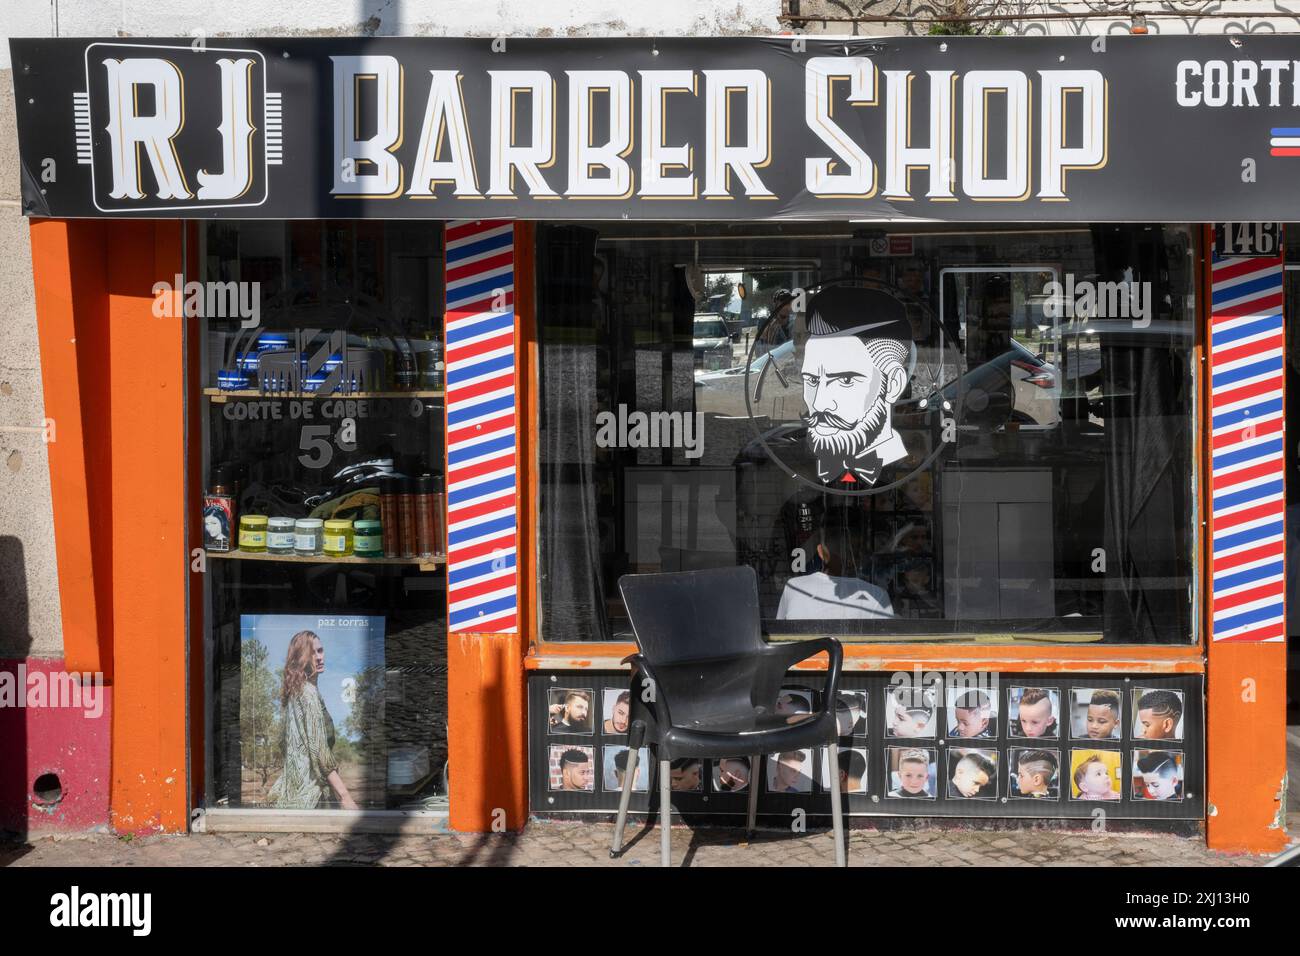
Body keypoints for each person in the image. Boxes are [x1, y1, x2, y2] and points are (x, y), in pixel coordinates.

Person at [798, 285, 915, 487]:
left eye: (845, 380)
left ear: (893, 385)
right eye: (812, 380)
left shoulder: (914, 470)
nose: (820, 403)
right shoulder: (801, 468)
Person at [266, 630, 359, 810]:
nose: (318, 657)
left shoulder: (295, 693)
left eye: (320, 650)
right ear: (301, 658)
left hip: (291, 795)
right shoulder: (308, 693)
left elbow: (284, 744)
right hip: (311, 798)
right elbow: (320, 753)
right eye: (312, 653)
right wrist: (345, 797)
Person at [777, 509, 895, 621]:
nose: (849, 558)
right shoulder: (877, 596)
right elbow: (889, 640)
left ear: (821, 552)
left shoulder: (795, 587)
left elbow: (779, 637)